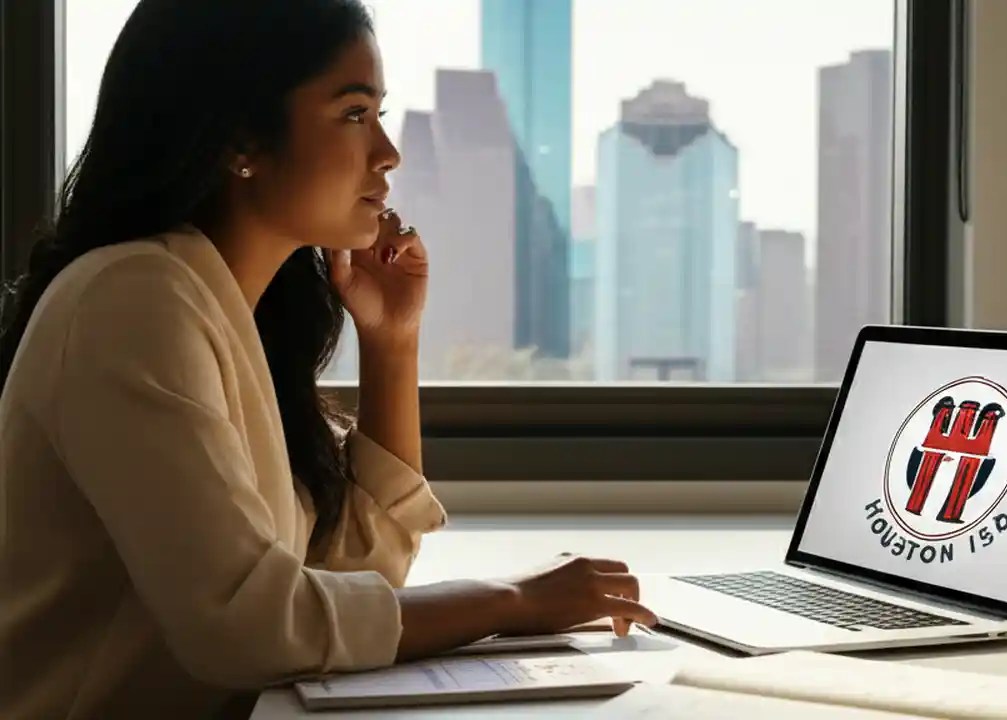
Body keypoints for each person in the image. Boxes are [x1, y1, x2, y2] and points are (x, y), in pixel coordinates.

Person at [0, 1, 657, 717]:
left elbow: (358, 573)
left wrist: (392, 345)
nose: (388, 152)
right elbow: (247, 624)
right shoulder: (132, 299)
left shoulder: (223, 308)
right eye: (353, 113)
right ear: (239, 137)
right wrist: (514, 599)